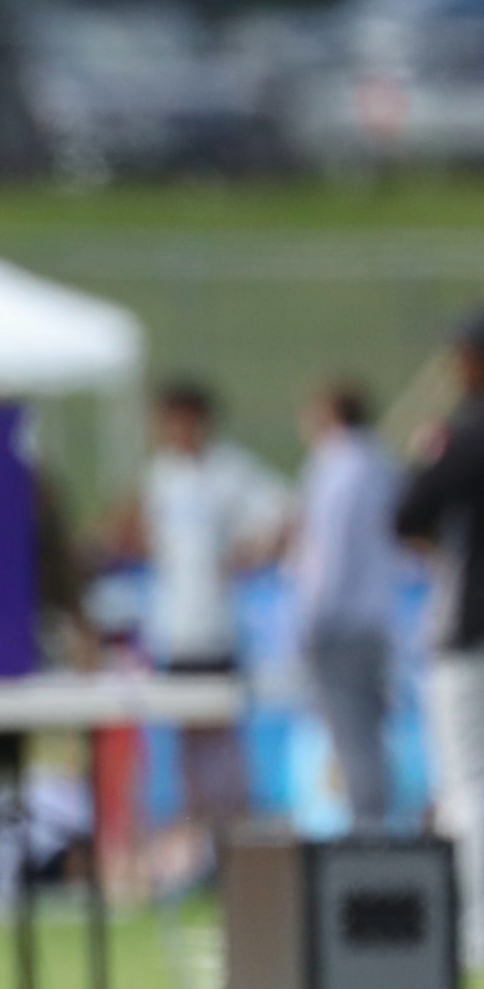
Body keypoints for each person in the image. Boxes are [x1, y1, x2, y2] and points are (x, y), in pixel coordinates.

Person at [131, 379, 287, 888]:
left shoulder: (230, 471)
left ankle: (231, 849)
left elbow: (283, 511)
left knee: (224, 747)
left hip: (218, 632)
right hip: (175, 632)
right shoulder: (163, 476)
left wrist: (249, 557)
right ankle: (197, 855)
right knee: (186, 750)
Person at [395, 310, 484, 967]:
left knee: (469, 780)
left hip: (471, 628)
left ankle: (477, 925)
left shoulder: (466, 434)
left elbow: (407, 513)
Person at [291, 379, 401, 829]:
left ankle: (367, 840)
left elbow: (328, 552)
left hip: (340, 623)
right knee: (369, 737)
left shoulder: (336, 469)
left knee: (351, 737)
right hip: (375, 620)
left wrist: (312, 618)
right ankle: (378, 828)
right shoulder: (380, 464)